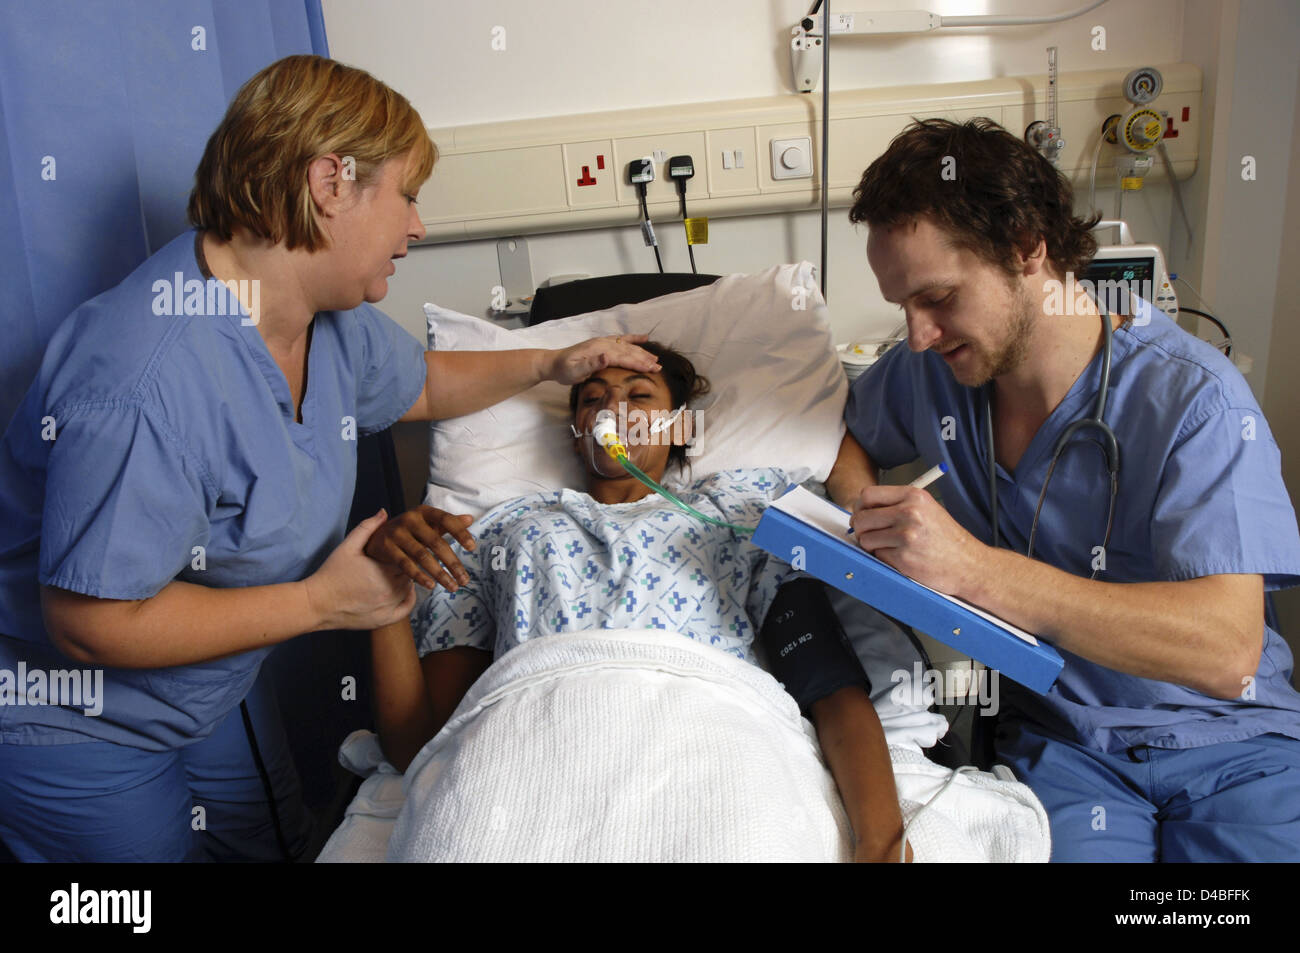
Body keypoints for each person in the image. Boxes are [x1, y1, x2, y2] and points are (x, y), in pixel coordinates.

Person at [0, 54, 658, 862]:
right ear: (330, 185)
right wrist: (322, 602)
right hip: (74, 720)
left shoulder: (320, 315)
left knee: (269, 841)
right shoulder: (143, 380)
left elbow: (417, 383)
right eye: (408, 195)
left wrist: (550, 363)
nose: (418, 227)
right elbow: (91, 624)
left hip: (212, 691)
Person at [827, 116, 1300, 862]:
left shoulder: (1195, 402)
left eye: (938, 297)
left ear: (1025, 247)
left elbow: (1228, 649)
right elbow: (849, 430)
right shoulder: (937, 371)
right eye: (902, 307)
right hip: (1066, 746)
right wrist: (862, 506)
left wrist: (975, 570)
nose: (917, 332)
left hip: (1230, 741)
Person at [365, 342, 913, 861]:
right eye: (593, 397)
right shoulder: (502, 531)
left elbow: (828, 684)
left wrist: (882, 843)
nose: (613, 409)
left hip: (710, 739)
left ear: (680, 428)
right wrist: (385, 594)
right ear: (577, 428)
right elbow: (420, 744)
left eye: (639, 394)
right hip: (529, 738)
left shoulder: (741, 514)